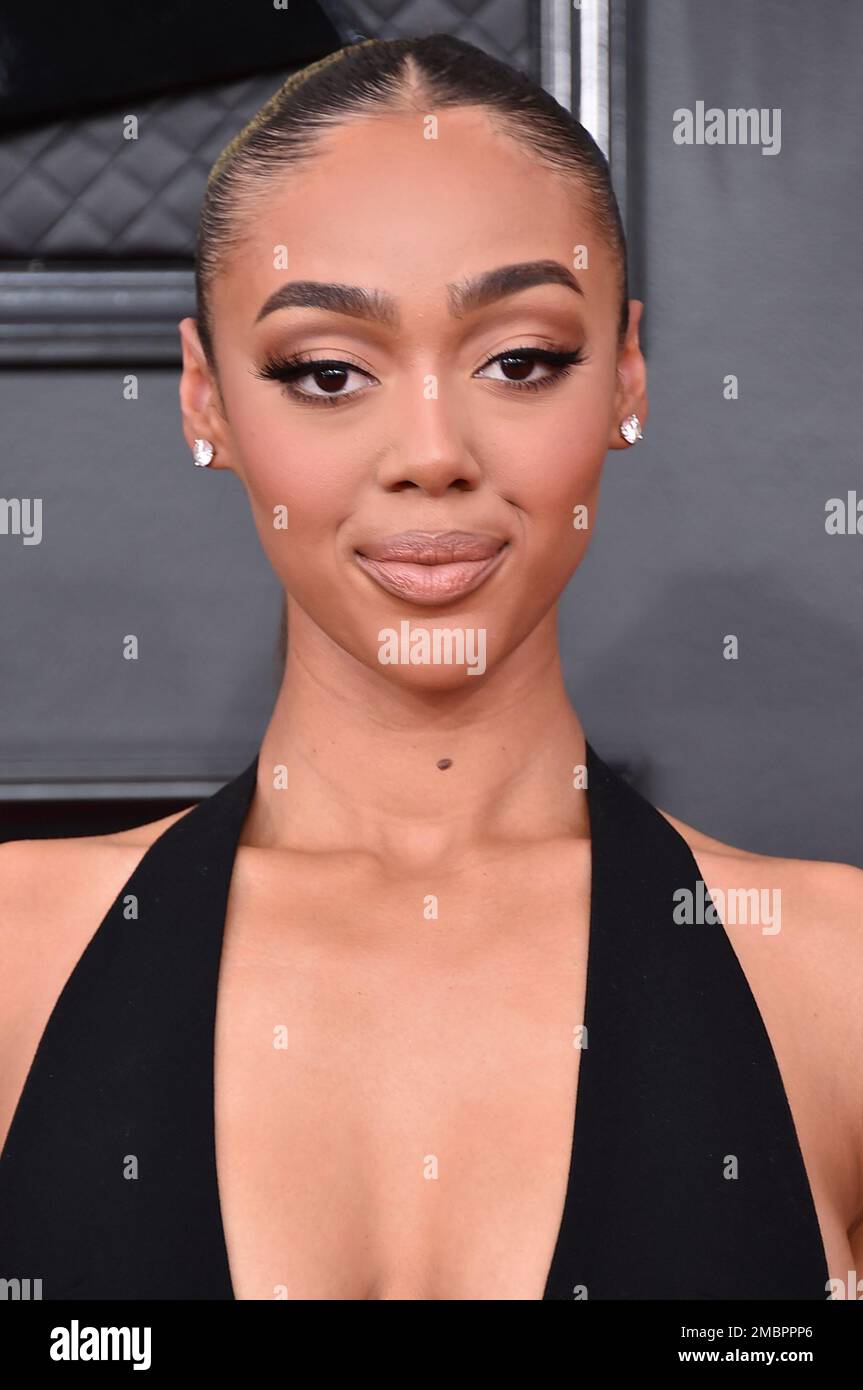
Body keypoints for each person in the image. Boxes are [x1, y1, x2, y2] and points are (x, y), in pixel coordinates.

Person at [1, 34, 861, 1302]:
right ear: (203, 400)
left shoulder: (833, 974)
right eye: (327, 372)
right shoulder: (14, 957)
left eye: (518, 359)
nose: (430, 451)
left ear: (624, 370)